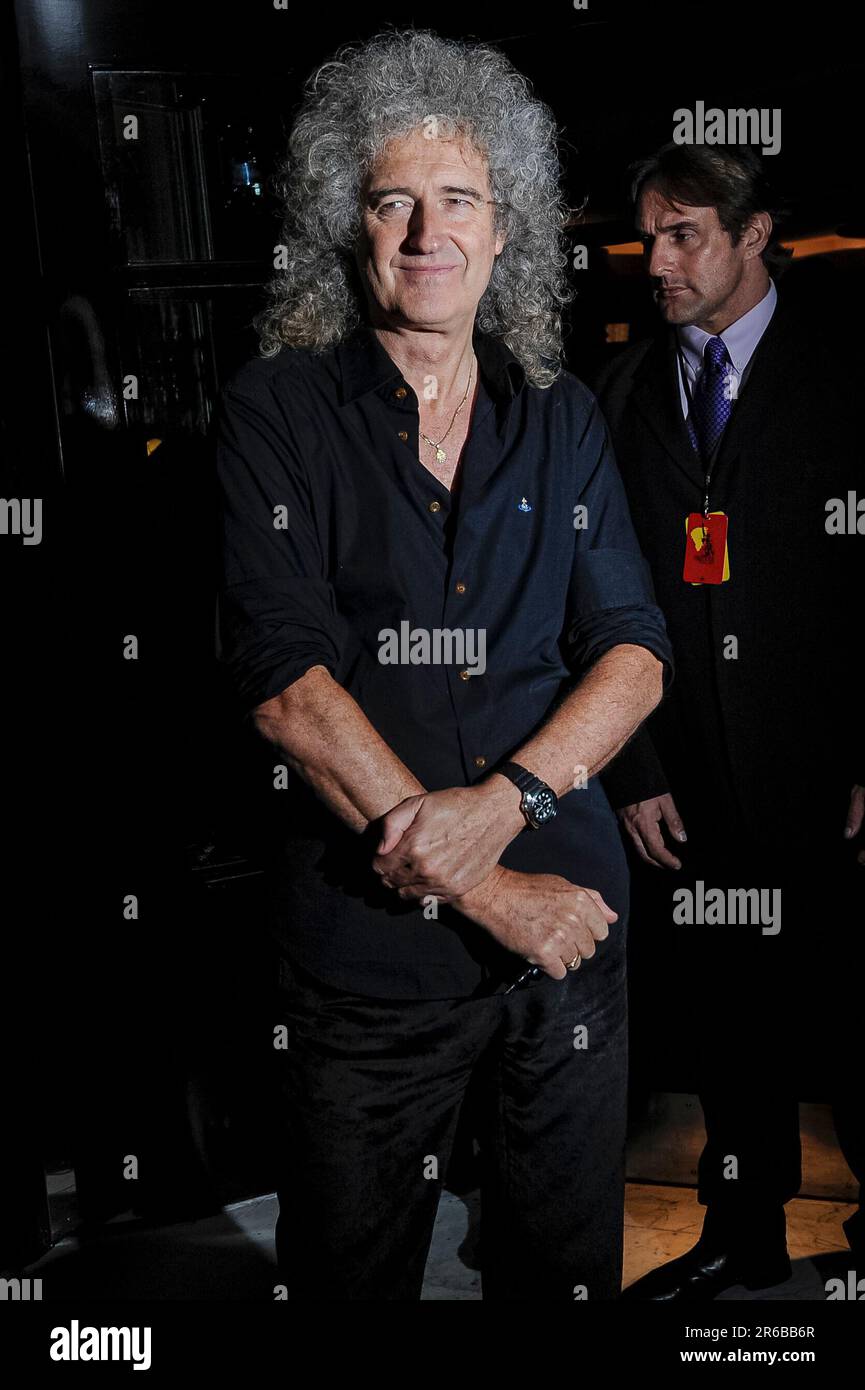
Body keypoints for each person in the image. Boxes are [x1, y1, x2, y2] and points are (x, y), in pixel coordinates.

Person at [212, 29, 672, 1301]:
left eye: (458, 199)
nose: (427, 233)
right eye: (392, 201)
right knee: (352, 1277)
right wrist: (490, 889)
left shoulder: (563, 413)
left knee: (560, 1274)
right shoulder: (275, 411)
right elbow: (286, 684)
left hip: (568, 942)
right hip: (370, 966)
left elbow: (632, 647)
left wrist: (514, 810)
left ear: (506, 228)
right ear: (345, 225)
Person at [593, 142, 864, 1301]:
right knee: (726, 1023)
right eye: (649, 235)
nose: (655, 260)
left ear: (756, 237)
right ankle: (740, 1235)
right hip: (690, 782)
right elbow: (598, 588)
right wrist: (635, 761)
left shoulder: (853, 371)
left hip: (828, 776)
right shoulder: (623, 388)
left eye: (683, 233)